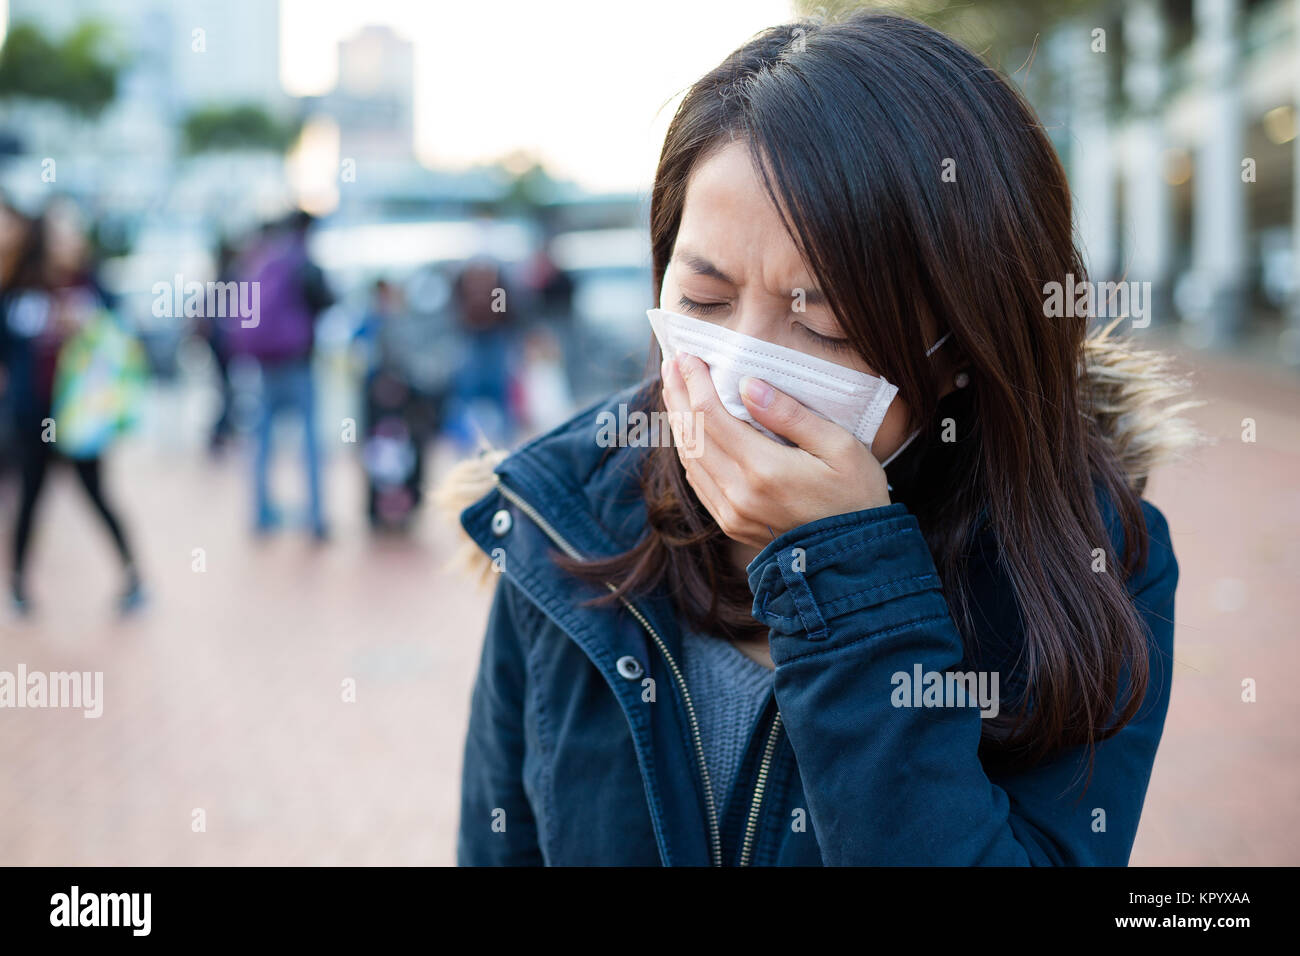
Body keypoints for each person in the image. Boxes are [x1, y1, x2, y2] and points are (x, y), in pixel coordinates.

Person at [443, 11, 1194, 866]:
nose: (744, 380)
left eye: (827, 327)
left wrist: (843, 572)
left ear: (962, 350)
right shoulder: (560, 520)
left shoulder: (1087, 567)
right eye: (706, 302)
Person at [0, 199, 145, 616]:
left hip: (81, 417)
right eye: (60, 231)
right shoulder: (21, 287)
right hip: (35, 416)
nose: (69, 240)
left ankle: (133, 576)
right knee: (29, 500)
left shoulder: (92, 286)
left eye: (74, 231)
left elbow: (122, 335)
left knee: (98, 496)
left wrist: (89, 323)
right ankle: (18, 588)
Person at [229, 211, 334, 540]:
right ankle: (316, 516)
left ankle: (261, 512)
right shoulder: (301, 261)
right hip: (298, 362)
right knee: (311, 441)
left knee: (261, 442)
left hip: (264, 363)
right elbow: (327, 300)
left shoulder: (260, 260)